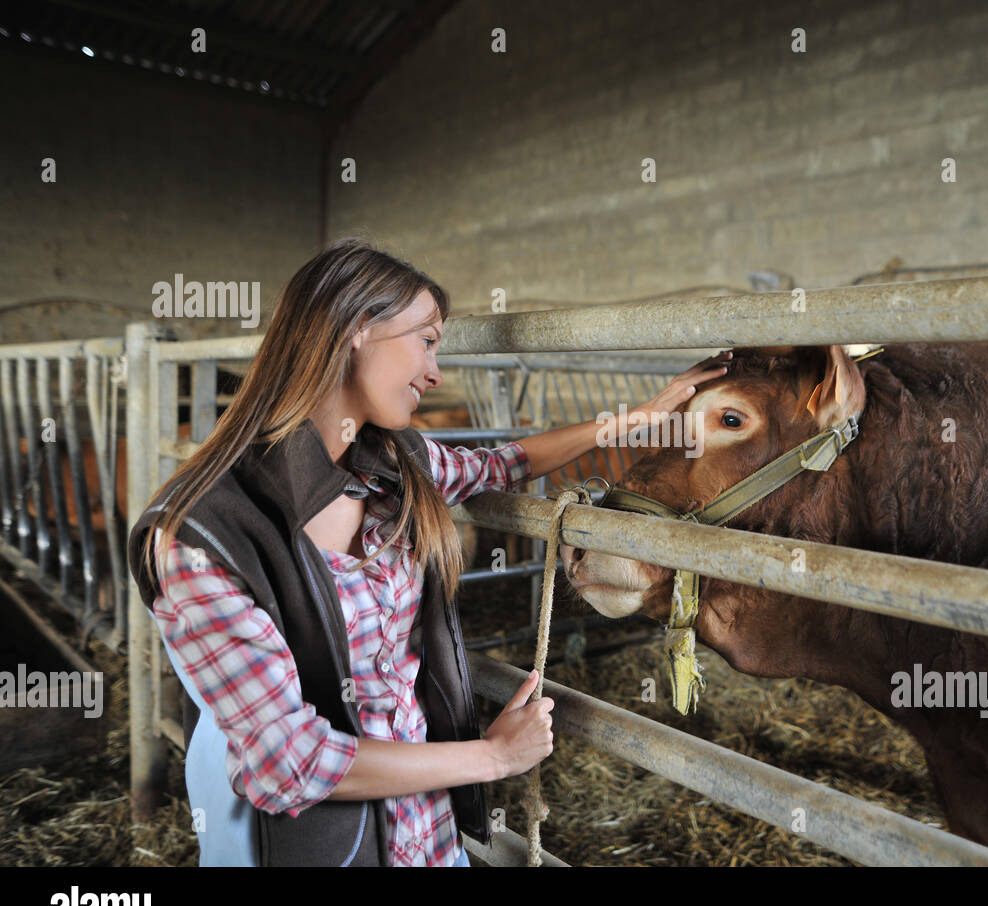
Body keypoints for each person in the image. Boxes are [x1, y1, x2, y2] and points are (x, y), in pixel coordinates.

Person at [125, 237, 730, 866]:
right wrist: (493, 758)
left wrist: (639, 418)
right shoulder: (200, 537)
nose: (436, 372)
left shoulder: (390, 461)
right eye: (427, 340)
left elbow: (504, 463)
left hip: (423, 825)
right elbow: (290, 764)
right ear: (356, 328)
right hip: (302, 844)